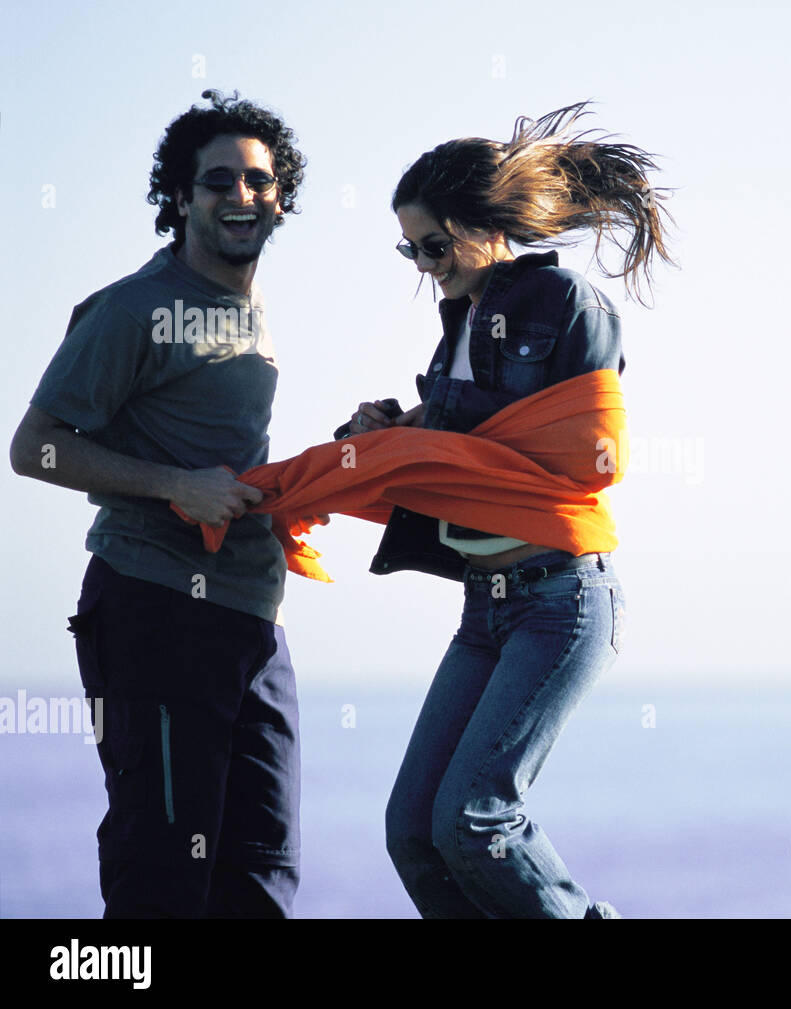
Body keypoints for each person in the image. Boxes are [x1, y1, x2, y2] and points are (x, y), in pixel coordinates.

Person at [343, 101, 673, 918]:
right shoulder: (453, 328)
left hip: (559, 600)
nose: (425, 265)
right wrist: (393, 435)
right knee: (413, 831)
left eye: (435, 245)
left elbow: (586, 453)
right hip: (483, 610)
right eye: (410, 250)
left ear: (485, 224)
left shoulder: (562, 304)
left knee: (476, 818)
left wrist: (435, 439)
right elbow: (471, 443)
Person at [8, 90, 307, 918]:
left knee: (261, 871)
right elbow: (34, 445)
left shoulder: (251, 312)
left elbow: (221, 452)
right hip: (156, 610)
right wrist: (178, 486)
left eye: (259, 180)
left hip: (253, 617)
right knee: (163, 874)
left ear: (282, 196)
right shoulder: (134, 308)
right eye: (219, 182)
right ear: (180, 197)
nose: (242, 196)